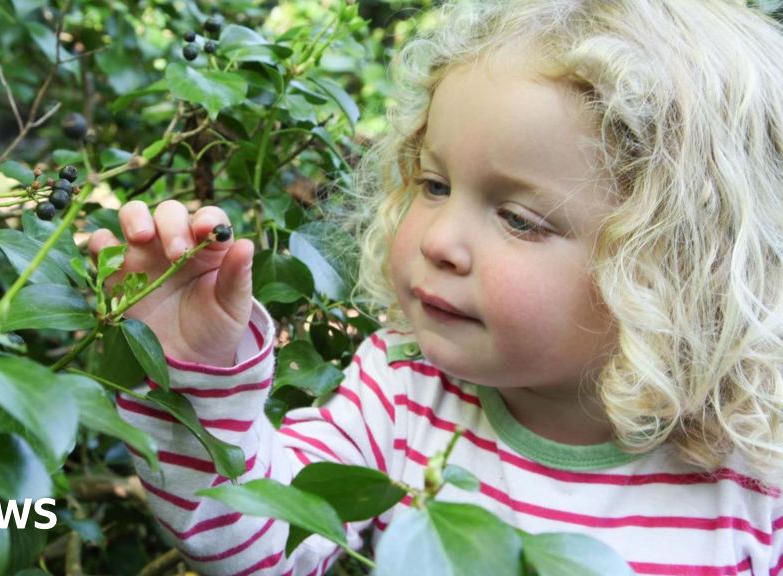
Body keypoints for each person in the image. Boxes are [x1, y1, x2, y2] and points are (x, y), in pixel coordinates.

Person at [87, 0, 783, 573]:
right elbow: (266, 536)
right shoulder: (404, 390)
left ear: (678, 269)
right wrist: (195, 375)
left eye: (517, 218)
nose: (439, 239)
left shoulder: (753, 485)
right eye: (433, 183)